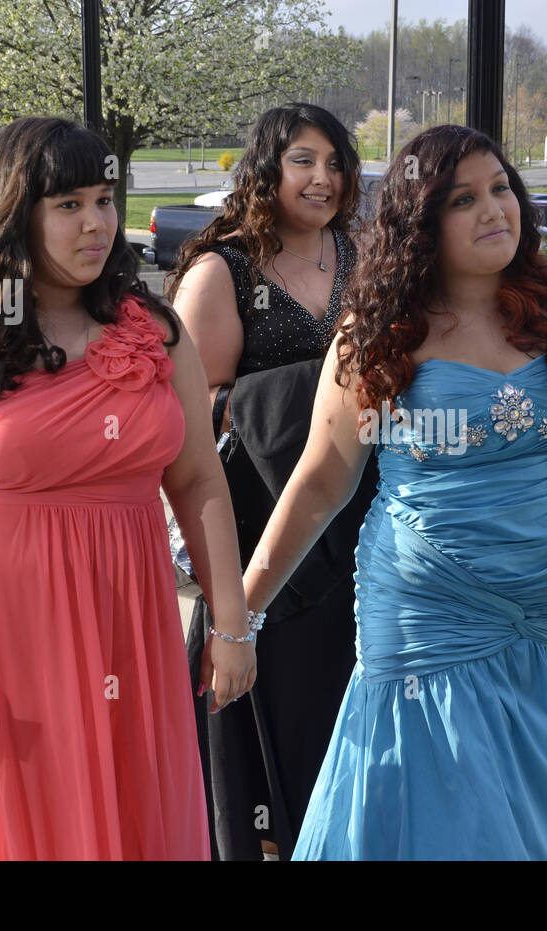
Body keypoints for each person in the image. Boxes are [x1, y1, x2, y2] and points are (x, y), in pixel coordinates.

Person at [243, 124, 547, 859]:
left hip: (545, 609)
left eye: (501, 187)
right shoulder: (378, 331)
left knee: (540, 814)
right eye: (464, 199)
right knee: (452, 817)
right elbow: (322, 478)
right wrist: (239, 608)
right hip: (423, 610)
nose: (495, 209)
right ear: (421, 224)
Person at [0, 116, 255, 860]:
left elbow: (201, 480)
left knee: (143, 823)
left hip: (131, 635)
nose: (97, 223)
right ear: (15, 213)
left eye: (104, 199)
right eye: (69, 204)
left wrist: (231, 621)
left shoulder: (158, 330)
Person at [164, 103, 378, 861]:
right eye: (302, 161)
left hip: (360, 526)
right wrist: (319, 391)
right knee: (272, 722)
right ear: (265, 169)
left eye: (334, 162)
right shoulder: (223, 271)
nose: (323, 178)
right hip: (262, 530)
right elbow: (195, 414)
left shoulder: (361, 256)